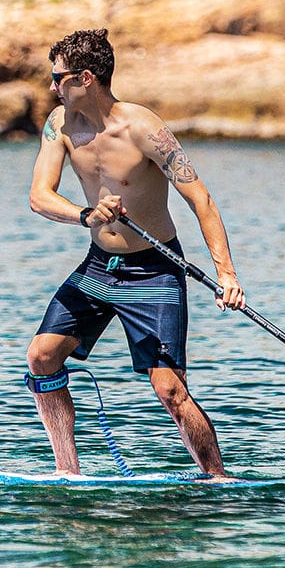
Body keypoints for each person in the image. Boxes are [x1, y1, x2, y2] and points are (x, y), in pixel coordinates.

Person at [26, 28, 245, 478]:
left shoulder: (144, 128)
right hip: (98, 269)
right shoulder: (59, 124)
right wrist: (86, 215)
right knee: (41, 356)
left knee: (169, 389)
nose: (52, 86)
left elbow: (200, 199)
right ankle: (68, 472)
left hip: (154, 271)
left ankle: (217, 480)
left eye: (58, 77)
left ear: (86, 78)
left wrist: (227, 275)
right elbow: (39, 197)